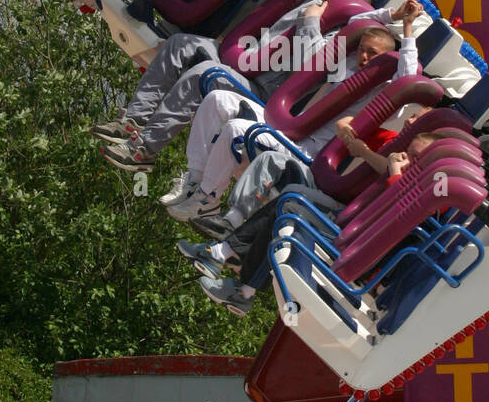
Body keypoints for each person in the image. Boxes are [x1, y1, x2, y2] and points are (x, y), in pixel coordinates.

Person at [93, 0, 376, 175]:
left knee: (203, 73)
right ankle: (132, 121)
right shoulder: (311, 0)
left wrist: (310, 22)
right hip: (238, 55)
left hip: (261, 87)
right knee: (180, 44)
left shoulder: (341, 39)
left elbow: (312, 65)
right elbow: (263, 0)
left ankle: (143, 149)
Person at [166, 0, 424, 222]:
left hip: (306, 151)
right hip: (285, 125)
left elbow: (409, 78)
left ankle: (207, 199)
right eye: (363, 50)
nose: (365, 57)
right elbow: (357, 23)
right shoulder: (344, 65)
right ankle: (195, 177)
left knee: (236, 130)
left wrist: (408, 27)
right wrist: (393, 14)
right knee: (217, 99)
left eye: (373, 53)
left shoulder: (384, 96)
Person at [189, 129, 446, 316]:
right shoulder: (405, 177)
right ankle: (223, 256)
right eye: (408, 152)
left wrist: (395, 172)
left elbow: (397, 215)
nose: (405, 158)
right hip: (347, 219)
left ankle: (239, 283)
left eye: (415, 157)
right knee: (291, 192)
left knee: (290, 207)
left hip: (353, 240)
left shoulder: (423, 194)